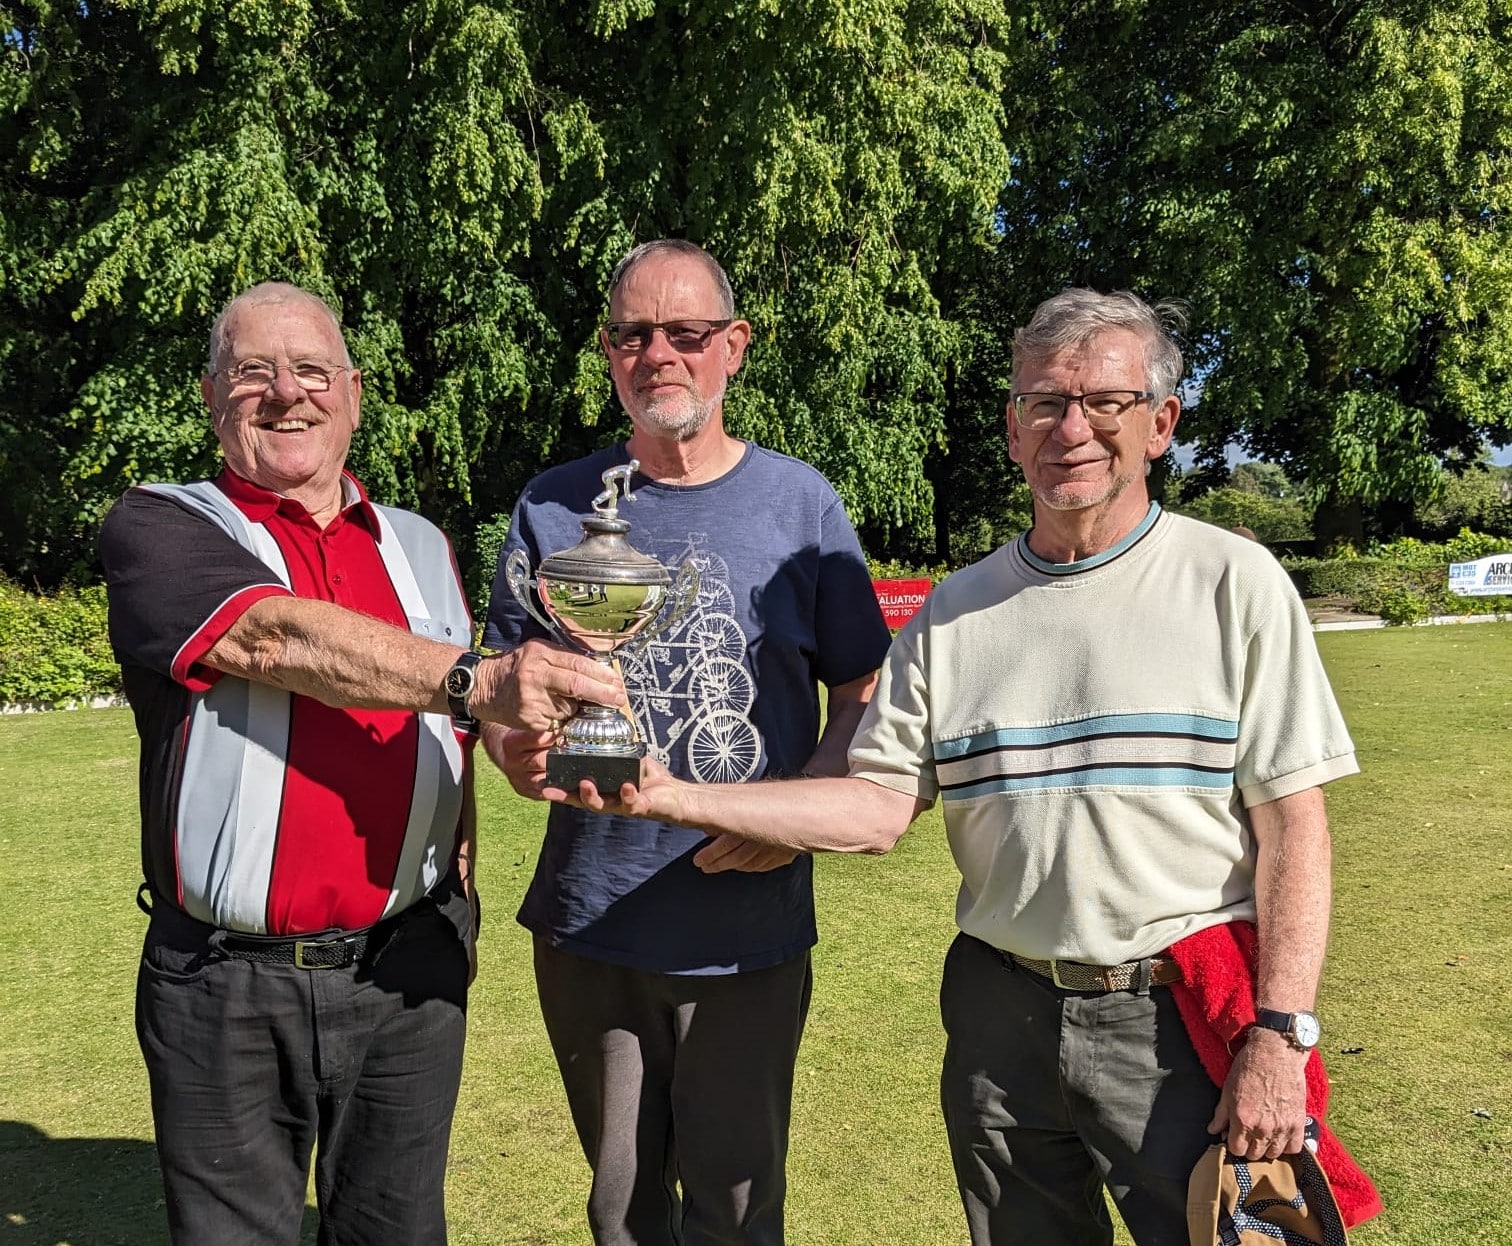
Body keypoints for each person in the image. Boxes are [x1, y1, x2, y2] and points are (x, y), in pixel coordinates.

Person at [557, 289, 1367, 1245]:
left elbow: (1294, 829)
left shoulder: (1235, 582)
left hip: (1173, 1022)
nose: (1073, 429)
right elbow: (873, 808)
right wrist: (667, 792)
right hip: (1000, 1019)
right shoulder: (954, 613)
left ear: (1160, 424)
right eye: (1043, 403)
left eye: (1105, 403)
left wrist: (1280, 1034)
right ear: (1013, 428)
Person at [99, 281, 624, 1245]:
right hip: (226, 983)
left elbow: (452, 724)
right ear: (213, 396)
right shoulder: (164, 523)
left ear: (354, 391)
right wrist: (484, 679)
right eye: (253, 371)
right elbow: (273, 640)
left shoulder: (421, 543)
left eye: (311, 370)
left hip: (406, 969)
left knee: (400, 1231)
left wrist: (494, 780)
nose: (285, 393)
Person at [483, 239, 892, 1246]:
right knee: (621, 1209)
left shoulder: (802, 504)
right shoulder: (552, 501)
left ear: (734, 347)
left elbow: (863, 688)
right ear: (611, 352)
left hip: (744, 917)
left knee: (739, 1206)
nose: (658, 352)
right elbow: (504, 691)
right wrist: (516, 753)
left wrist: (793, 817)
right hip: (592, 922)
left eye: (687, 332)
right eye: (633, 333)